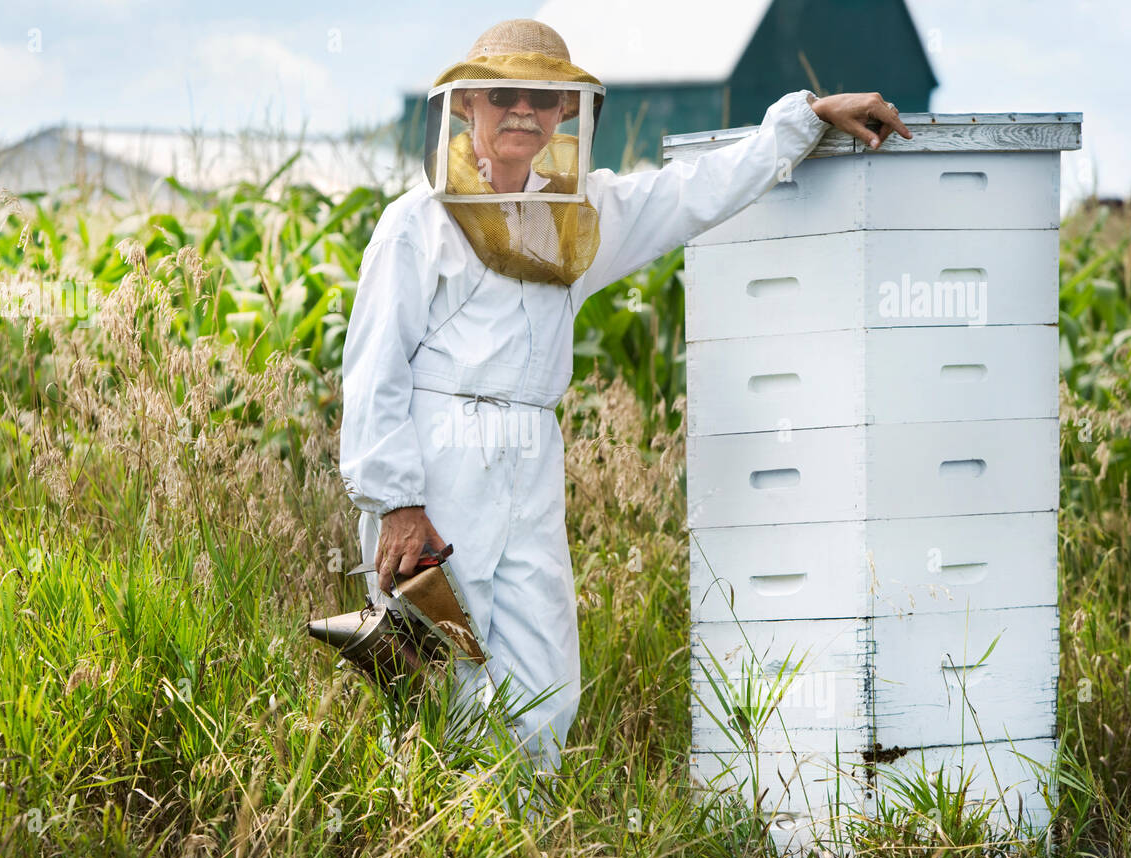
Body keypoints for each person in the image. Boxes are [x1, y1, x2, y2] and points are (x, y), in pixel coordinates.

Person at [339, 18, 910, 782]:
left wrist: (800, 120)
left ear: (565, 116)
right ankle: (420, 826)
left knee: (542, 672)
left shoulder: (577, 220)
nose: (523, 112)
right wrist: (397, 502)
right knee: (430, 664)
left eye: (543, 101)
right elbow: (374, 370)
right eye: (504, 94)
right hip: (439, 459)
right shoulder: (416, 223)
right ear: (468, 103)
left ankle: (517, 829)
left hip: (530, 454)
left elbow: (690, 192)